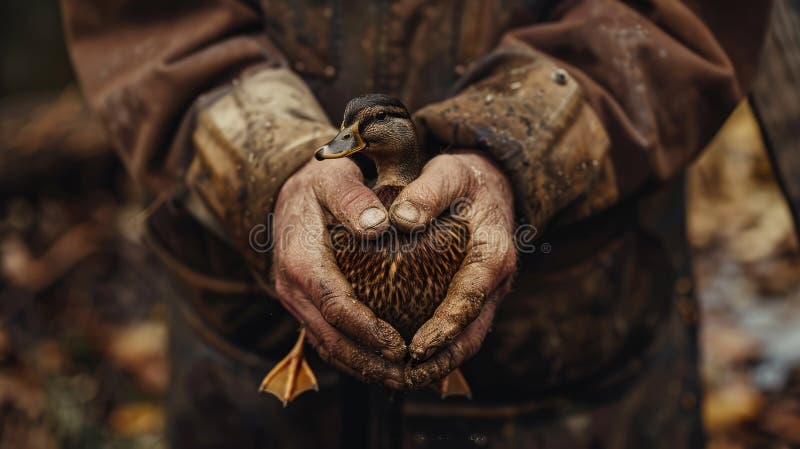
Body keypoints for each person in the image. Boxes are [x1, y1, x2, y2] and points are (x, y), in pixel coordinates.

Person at [60, 1, 772, 448]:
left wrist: (514, 146)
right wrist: (269, 164)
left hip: (574, 363)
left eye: (360, 135)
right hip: (245, 365)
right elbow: (145, 21)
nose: (345, 143)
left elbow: (685, 15)